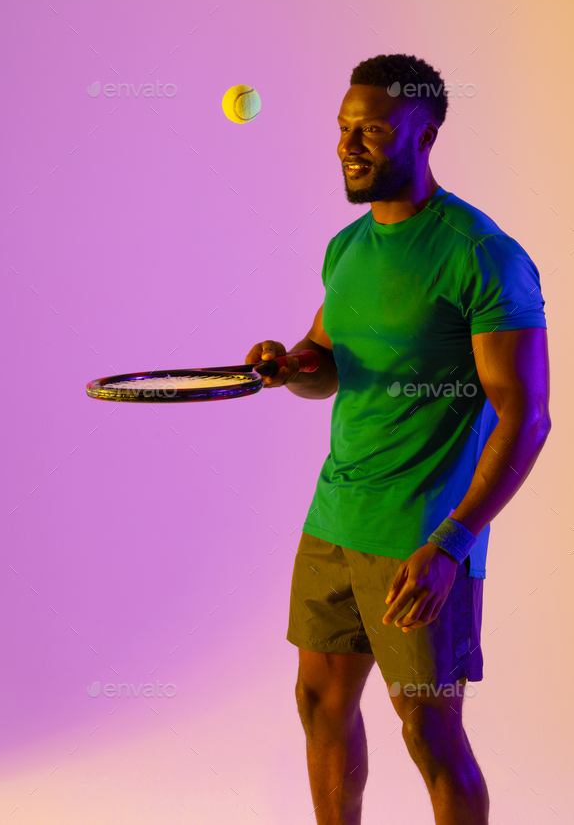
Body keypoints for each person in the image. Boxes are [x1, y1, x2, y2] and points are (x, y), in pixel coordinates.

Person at [245, 53, 550, 825]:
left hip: (421, 537)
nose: (351, 145)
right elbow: (328, 369)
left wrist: (452, 542)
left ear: (425, 135)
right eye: (345, 128)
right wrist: (292, 364)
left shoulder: (482, 254)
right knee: (318, 702)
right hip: (334, 520)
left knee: (430, 732)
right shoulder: (346, 247)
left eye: (373, 129)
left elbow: (526, 414)